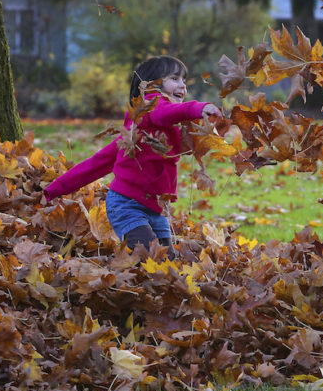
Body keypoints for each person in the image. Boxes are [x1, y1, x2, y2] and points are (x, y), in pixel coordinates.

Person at [44, 56, 222, 259]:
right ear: (151, 84)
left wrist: (53, 190)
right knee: (149, 258)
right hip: (126, 205)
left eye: (184, 80)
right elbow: (164, 112)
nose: (182, 85)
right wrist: (198, 108)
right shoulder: (151, 106)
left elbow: (97, 163)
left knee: (167, 265)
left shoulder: (139, 132)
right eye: (174, 78)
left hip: (157, 210)